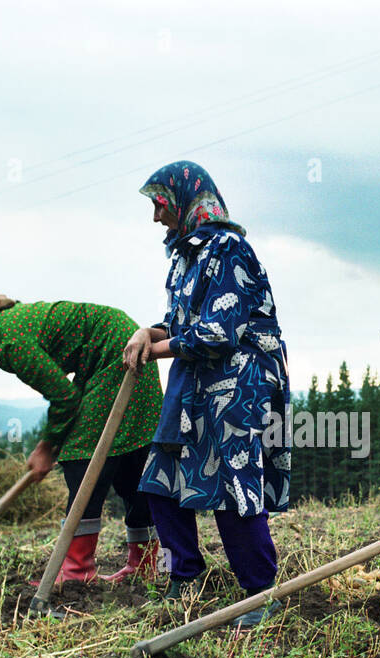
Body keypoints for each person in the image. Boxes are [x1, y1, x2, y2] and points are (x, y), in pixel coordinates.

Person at [122, 160, 291, 629]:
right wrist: (146, 332)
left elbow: (219, 330)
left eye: (159, 205)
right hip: (194, 379)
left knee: (234, 483)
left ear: (183, 197)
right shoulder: (185, 254)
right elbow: (181, 322)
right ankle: (186, 577)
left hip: (239, 378)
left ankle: (259, 594)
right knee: (161, 477)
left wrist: (157, 349)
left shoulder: (230, 247)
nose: (156, 217)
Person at [0, 290, 163, 583]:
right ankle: (142, 565)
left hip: (120, 354)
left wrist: (47, 447)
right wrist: (49, 444)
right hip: (123, 349)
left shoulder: (10, 342)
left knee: (82, 458)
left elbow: (64, 397)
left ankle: (77, 572)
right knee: (129, 459)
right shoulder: (6, 327)